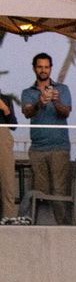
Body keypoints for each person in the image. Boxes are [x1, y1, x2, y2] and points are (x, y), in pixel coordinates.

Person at [20, 52, 73, 224]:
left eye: (46, 67)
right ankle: (41, 227)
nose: (43, 70)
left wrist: (55, 101)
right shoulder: (28, 92)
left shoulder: (63, 89)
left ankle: (63, 229)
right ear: (34, 68)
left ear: (51, 68)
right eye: (40, 67)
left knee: (59, 191)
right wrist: (40, 103)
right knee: (39, 192)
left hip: (59, 147)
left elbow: (66, 112)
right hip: (37, 149)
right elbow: (27, 112)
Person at [0, 84, 15, 221]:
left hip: (3, 139)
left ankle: (9, 218)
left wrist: (5, 109)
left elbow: (14, 125)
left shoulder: (5, 99)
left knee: (7, 181)